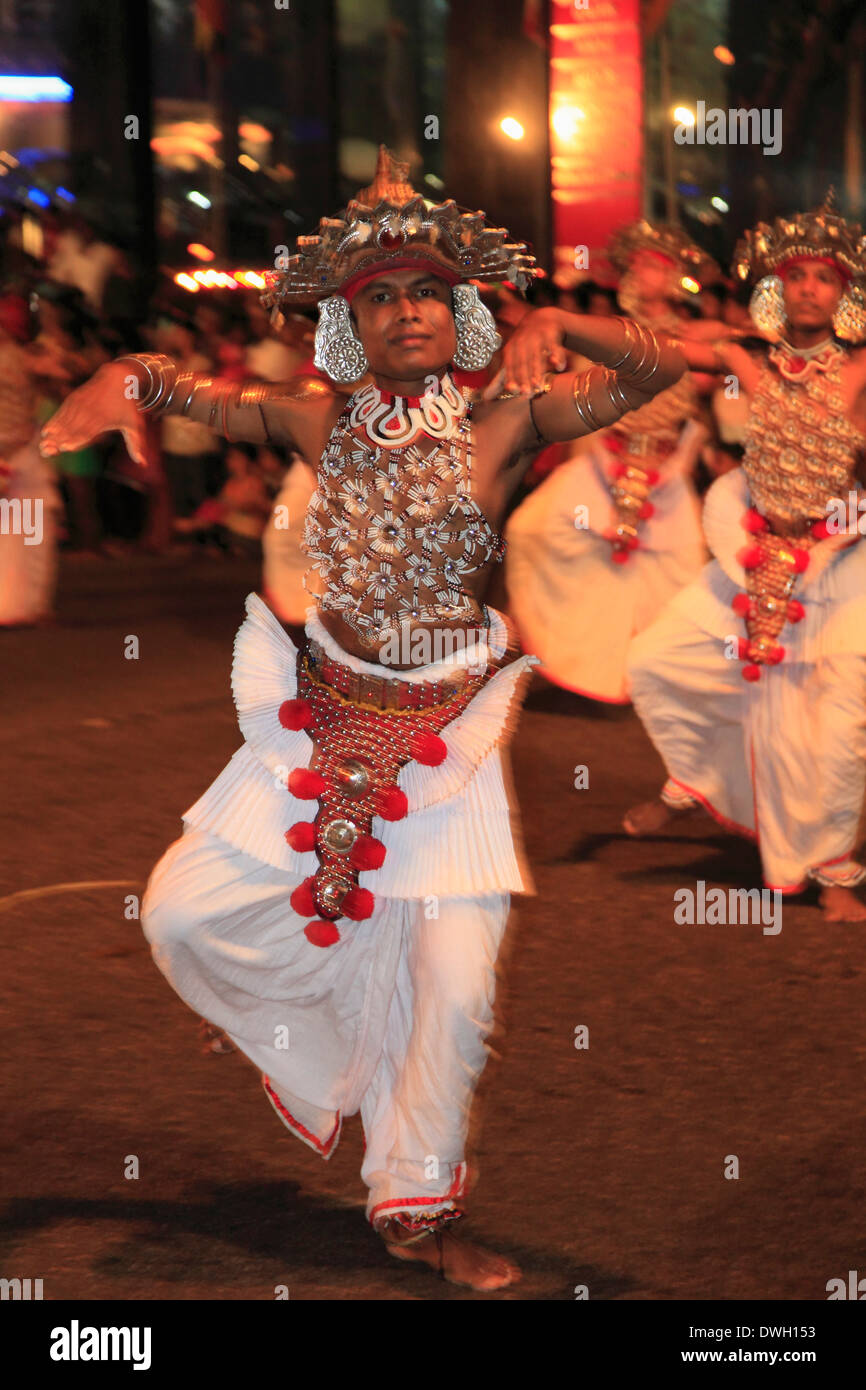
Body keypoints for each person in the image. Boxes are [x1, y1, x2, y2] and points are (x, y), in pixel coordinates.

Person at [40, 147, 686, 1290]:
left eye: (429, 288)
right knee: (183, 915)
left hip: (450, 743)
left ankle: (417, 1210)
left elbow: (655, 367)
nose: (405, 309)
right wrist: (122, 379)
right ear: (347, 323)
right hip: (317, 723)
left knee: (456, 988)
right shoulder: (309, 422)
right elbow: (177, 391)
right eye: (377, 294)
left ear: (464, 308)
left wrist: (556, 321)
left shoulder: (505, 424)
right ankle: (296, 1030)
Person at [623, 196, 866, 923]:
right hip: (753, 543)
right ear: (777, 288)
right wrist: (555, 323)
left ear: (845, 291)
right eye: (795, 277)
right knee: (657, 660)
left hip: (841, 561)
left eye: (825, 278)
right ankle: (692, 783)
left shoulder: (859, 369)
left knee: (837, 725)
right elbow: (649, 347)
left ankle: (835, 872)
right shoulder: (744, 355)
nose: (809, 290)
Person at [503, 222, 714, 702]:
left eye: (655, 266)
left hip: (666, 469)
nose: (642, 274)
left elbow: (731, 362)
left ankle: (658, 674)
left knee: (681, 570)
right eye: (635, 265)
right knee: (532, 528)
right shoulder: (611, 332)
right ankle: (565, 658)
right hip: (603, 462)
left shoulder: (697, 336)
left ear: (675, 275)